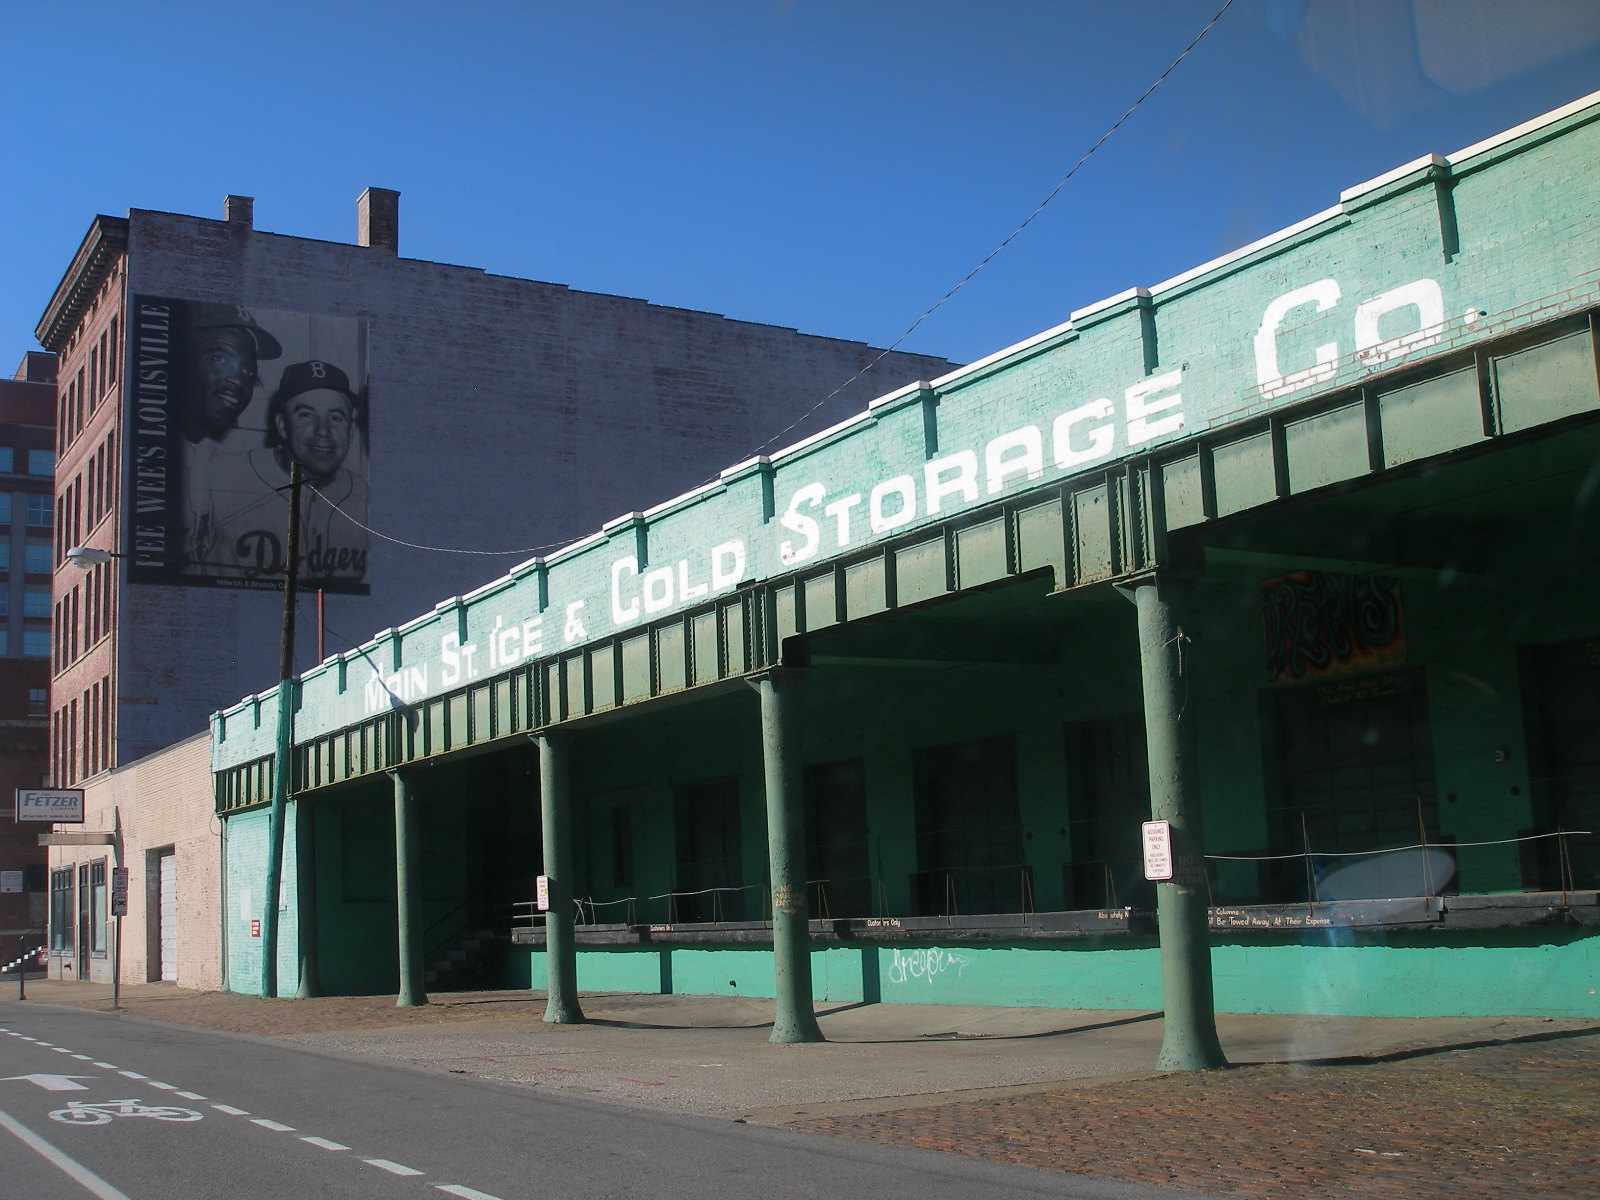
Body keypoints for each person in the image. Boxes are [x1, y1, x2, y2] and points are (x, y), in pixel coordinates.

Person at [186, 359, 370, 590]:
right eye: (305, 415)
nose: (323, 431)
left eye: (335, 417)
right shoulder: (216, 477)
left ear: (350, 431)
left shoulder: (367, 497)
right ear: (282, 425)